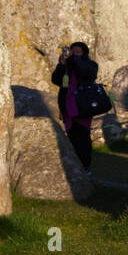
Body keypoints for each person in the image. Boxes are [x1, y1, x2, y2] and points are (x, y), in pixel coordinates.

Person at [52, 40, 98, 174]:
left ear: (84, 53)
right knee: (71, 135)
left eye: (78, 52)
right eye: (73, 52)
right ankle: (73, 166)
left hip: (83, 106)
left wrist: (74, 60)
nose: (75, 55)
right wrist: (61, 65)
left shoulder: (91, 64)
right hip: (67, 106)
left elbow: (87, 72)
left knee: (83, 136)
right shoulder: (67, 66)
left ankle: (85, 166)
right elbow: (56, 80)